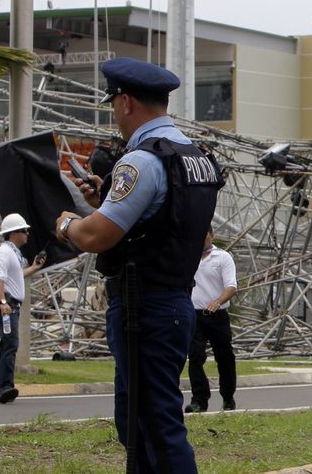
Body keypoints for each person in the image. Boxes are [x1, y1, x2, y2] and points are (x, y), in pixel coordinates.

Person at [55, 57, 222, 472]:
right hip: (172, 302)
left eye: (113, 104)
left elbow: (97, 237)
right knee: (139, 427)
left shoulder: (140, 161)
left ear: (126, 102)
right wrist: (106, 199)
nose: (114, 113)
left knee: (156, 429)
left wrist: (68, 225)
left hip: (142, 308)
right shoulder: (192, 156)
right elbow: (180, 226)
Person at [0, 212, 45, 404]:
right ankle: (6, 386)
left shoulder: (13, 253)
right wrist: (3, 303)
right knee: (10, 345)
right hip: (7, 305)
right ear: (14, 234)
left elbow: (17, 276)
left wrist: (35, 268)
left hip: (11, 305)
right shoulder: (4, 252)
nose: (27, 234)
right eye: (24, 231)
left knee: (6, 345)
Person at [185, 227, 238, 413]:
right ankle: (199, 399)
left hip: (217, 315)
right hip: (194, 315)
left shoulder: (222, 257)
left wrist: (218, 302)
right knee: (195, 356)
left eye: (204, 235)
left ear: (211, 235)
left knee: (224, 356)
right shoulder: (188, 258)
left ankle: (228, 395)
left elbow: (231, 286)